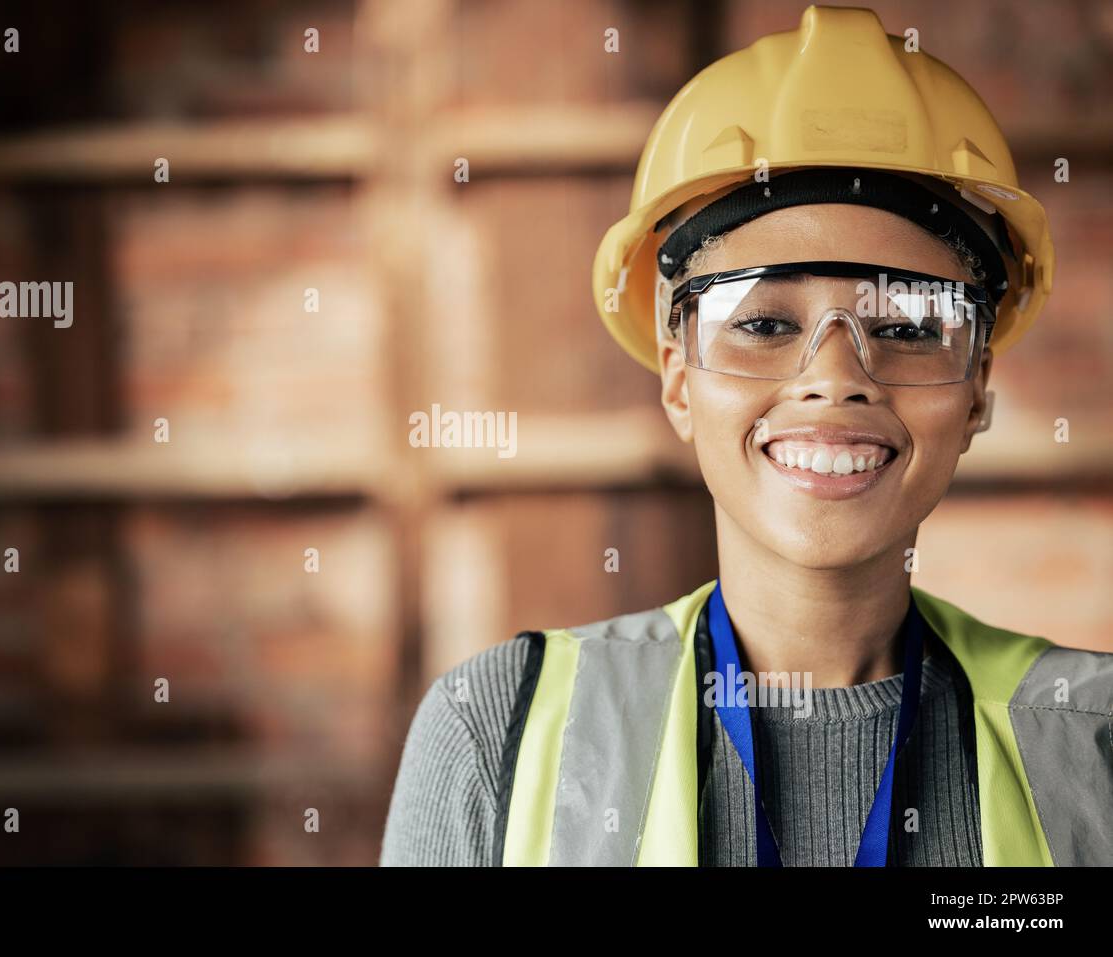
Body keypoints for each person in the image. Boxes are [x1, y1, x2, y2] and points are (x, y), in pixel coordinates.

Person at [379, 5, 1112, 867]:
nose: (835, 375)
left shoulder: (1090, 737)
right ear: (678, 378)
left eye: (910, 325)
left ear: (979, 387)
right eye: (763, 321)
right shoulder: (496, 729)